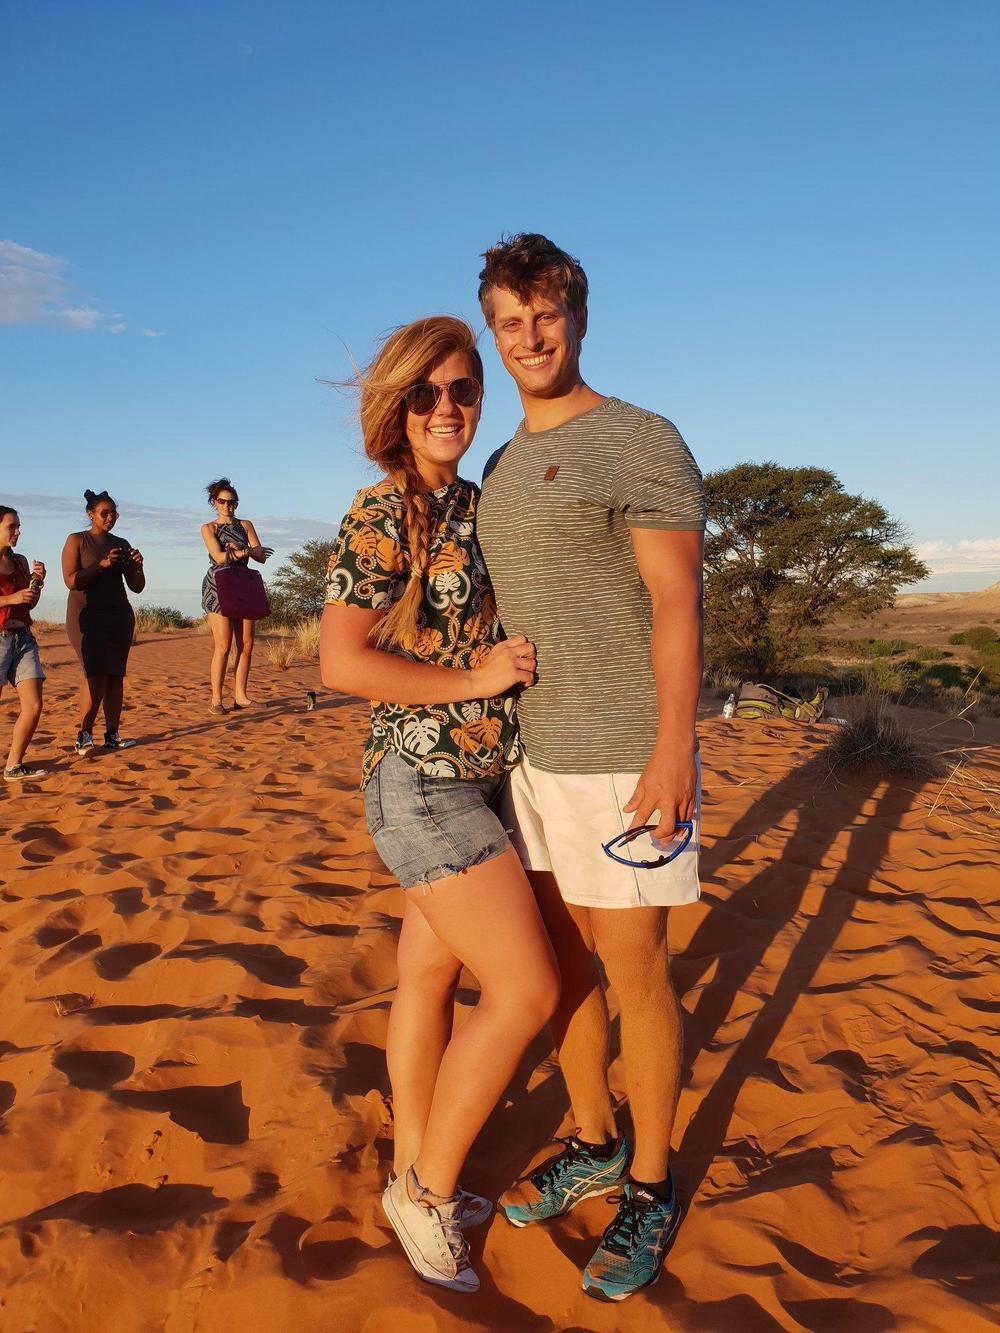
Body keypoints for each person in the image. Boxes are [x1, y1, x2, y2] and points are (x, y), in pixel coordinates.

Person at [475, 234, 706, 1303]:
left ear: (577, 316)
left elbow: (677, 600)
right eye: (509, 323)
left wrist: (673, 745)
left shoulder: (640, 440)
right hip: (529, 760)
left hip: (622, 755)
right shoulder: (498, 466)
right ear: (493, 333)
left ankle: (651, 1184)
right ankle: (594, 1138)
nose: (529, 338)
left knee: (635, 970)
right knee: (564, 968)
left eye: (545, 315)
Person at [320, 315, 560, 1294]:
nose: (446, 407)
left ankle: (410, 1170)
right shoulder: (382, 511)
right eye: (425, 393)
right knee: (527, 991)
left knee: (426, 979)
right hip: (421, 781)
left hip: (475, 777)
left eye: (462, 388)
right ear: (398, 404)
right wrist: (476, 678)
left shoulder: (472, 499)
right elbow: (342, 661)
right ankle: (428, 1190)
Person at [62, 489, 145, 754]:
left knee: (115, 676)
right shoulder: (77, 540)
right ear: (91, 514)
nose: (110, 518)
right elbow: (71, 581)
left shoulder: (121, 542)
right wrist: (101, 565)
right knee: (95, 673)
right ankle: (84, 734)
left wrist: (138, 566)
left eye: (114, 513)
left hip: (118, 615)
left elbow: (137, 587)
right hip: (86, 616)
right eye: (104, 513)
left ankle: (112, 734)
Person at [200, 478, 273, 715]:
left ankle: (241, 697)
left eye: (231, 502)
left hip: (243, 583)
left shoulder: (245, 525)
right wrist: (245, 552)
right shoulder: (208, 528)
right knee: (223, 645)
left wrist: (246, 552)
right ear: (214, 502)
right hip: (219, 584)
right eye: (222, 501)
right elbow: (219, 557)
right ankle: (216, 700)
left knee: (246, 644)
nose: (227, 506)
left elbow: (260, 556)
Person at [0, 506, 47, 781]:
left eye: (18, 526)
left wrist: (37, 583)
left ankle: (14, 765)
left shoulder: (20, 561)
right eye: (12, 527)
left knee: (34, 704)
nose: (18, 531)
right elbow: (14, 599)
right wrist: (11, 598)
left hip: (23, 638)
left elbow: (29, 603)